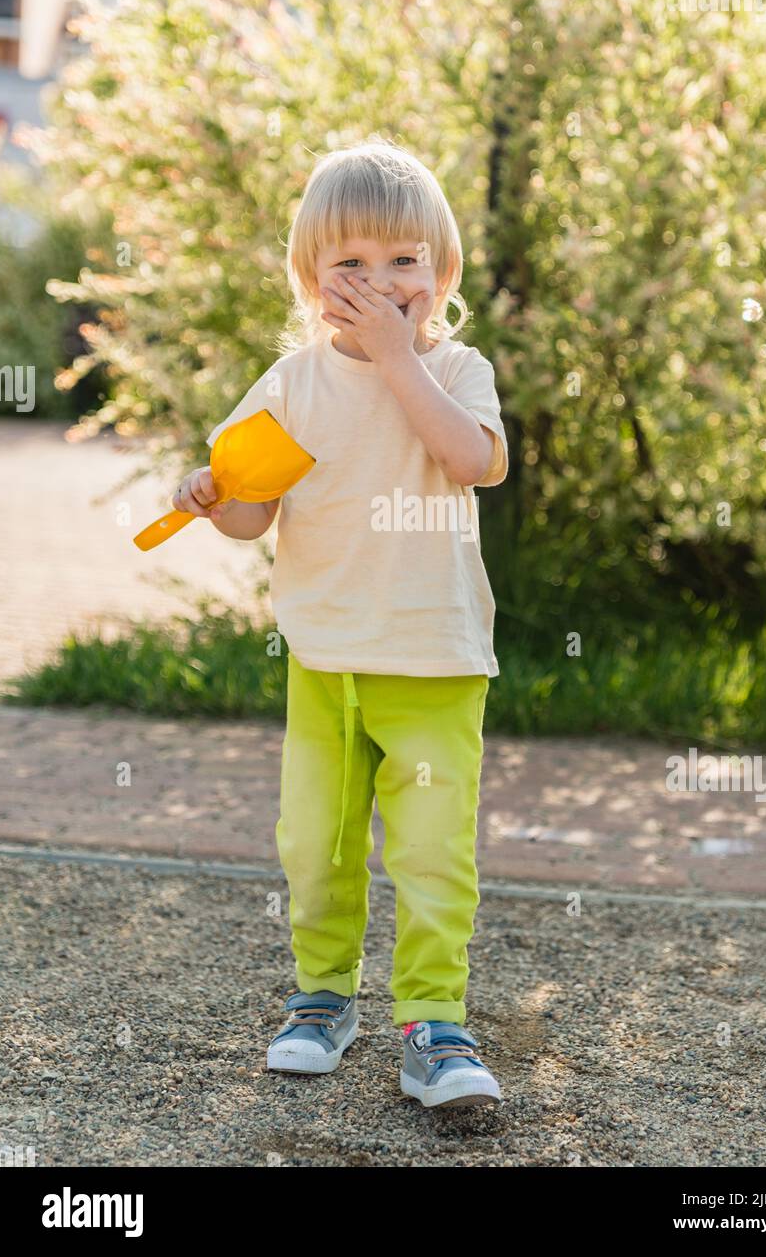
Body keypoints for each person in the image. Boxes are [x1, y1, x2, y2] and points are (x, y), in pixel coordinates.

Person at [173, 138, 508, 1108]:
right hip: (324, 658)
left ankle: (434, 1023)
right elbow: (252, 516)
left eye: (403, 261)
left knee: (432, 850)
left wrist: (403, 358)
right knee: (312, 841)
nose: (380, 282)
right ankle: (322, 997)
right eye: (350, 265)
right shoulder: (292, 383)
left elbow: (470, 460)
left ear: (439, 273)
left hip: (434, 660)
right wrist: (211, 496)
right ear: (313, 282)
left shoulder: (459, 368)